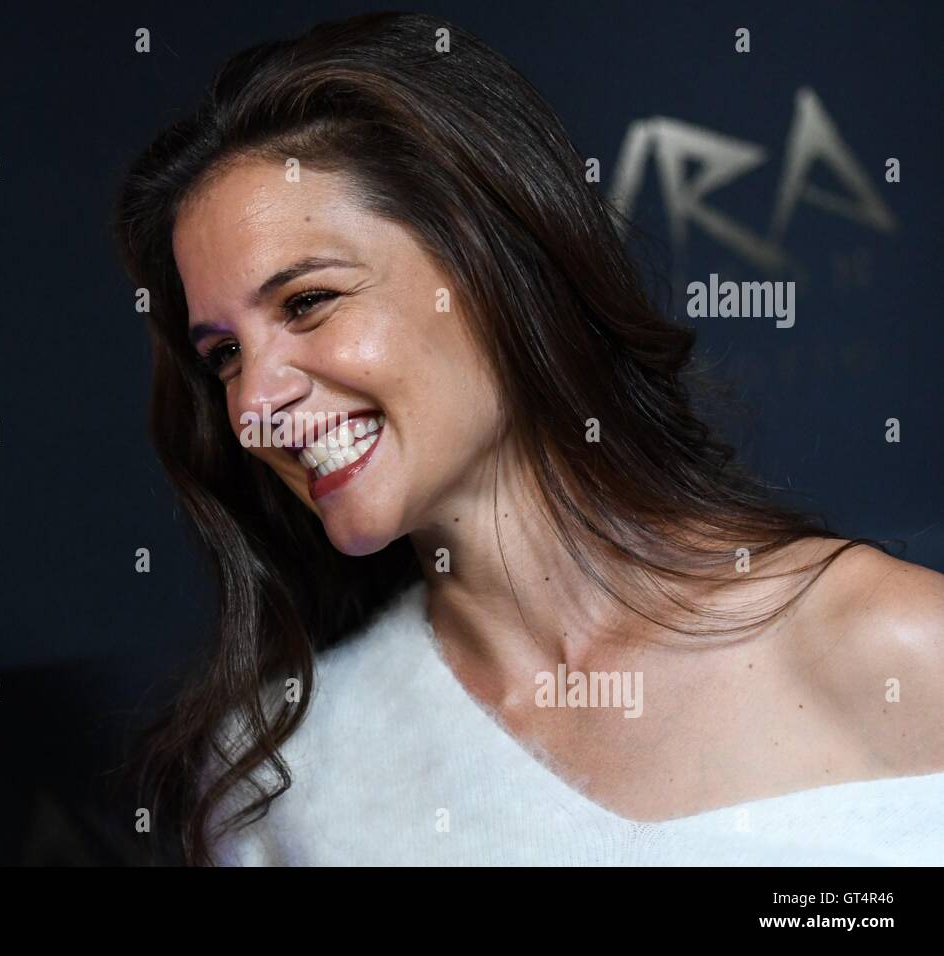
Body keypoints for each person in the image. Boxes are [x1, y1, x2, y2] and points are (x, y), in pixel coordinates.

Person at [112, 11, 944, 865]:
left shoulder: (902, 650)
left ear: (490, 264)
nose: (255, 405)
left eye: (307, 302)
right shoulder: (279, 774)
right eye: (224, 356)